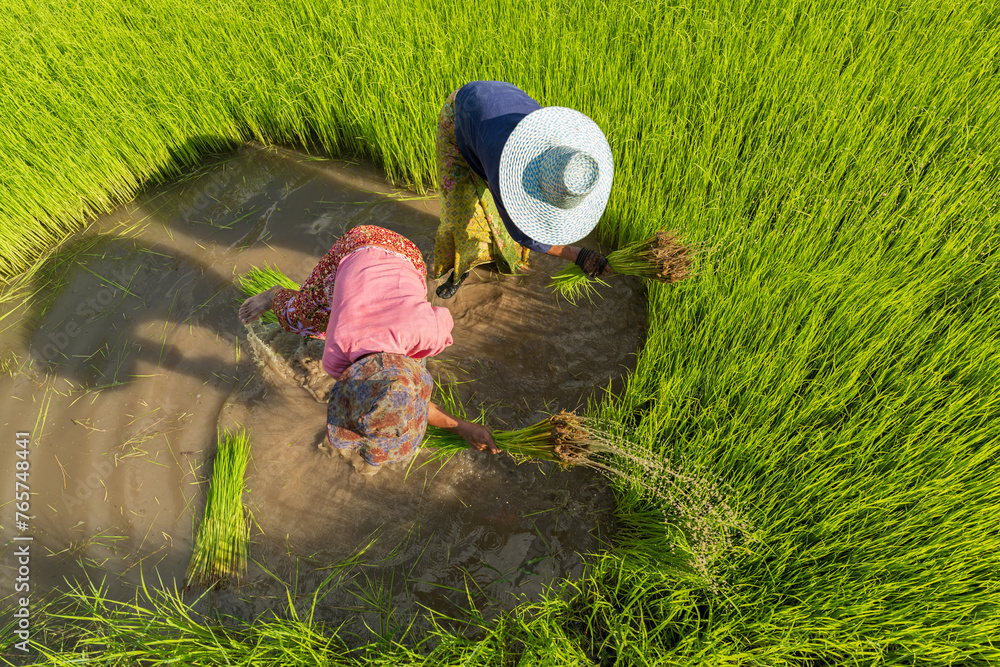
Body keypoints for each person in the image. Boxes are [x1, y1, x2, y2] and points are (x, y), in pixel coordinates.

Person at [238, 225, 497, 474]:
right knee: (304, 316)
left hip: (408, 254)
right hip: (356, 247)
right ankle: (274, 296)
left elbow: (397, 397)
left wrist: (464, 428)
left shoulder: (430, 336)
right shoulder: (337, 351)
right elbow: (381, 397)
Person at [433, 80, 615, 299]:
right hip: (461, 113)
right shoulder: (504, 165)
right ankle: (459, 269)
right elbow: (522, 232)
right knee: (460, 213)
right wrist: (577, 254)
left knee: (497, 210)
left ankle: (499, 258)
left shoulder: (566, 152)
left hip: (498, 106)